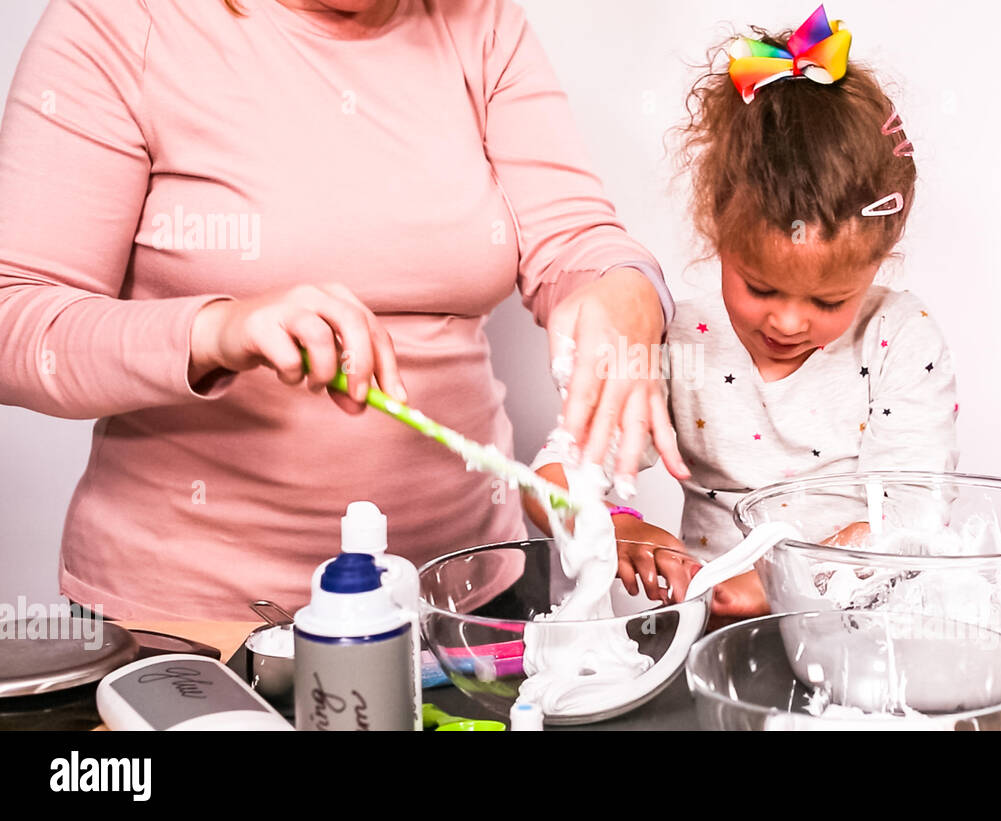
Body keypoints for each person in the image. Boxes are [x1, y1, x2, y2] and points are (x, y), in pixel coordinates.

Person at [0, 0, 688, 619]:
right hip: (193, 629)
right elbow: (17, 319)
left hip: (468, 605)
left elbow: (574, 239)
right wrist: (215, 330)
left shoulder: (478, 21)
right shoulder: (118, 22)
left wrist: (627, 285)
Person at [525, 5, 958, 627]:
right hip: (706, 642)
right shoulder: (678, 342)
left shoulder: (900, 340)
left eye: (827, 301)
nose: (786, 323)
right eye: (760, 287)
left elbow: (914, 517)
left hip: (859, 640)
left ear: (881, 257)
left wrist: (788, 580)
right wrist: (615, 526)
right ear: (716, 232)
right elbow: (549, 475)